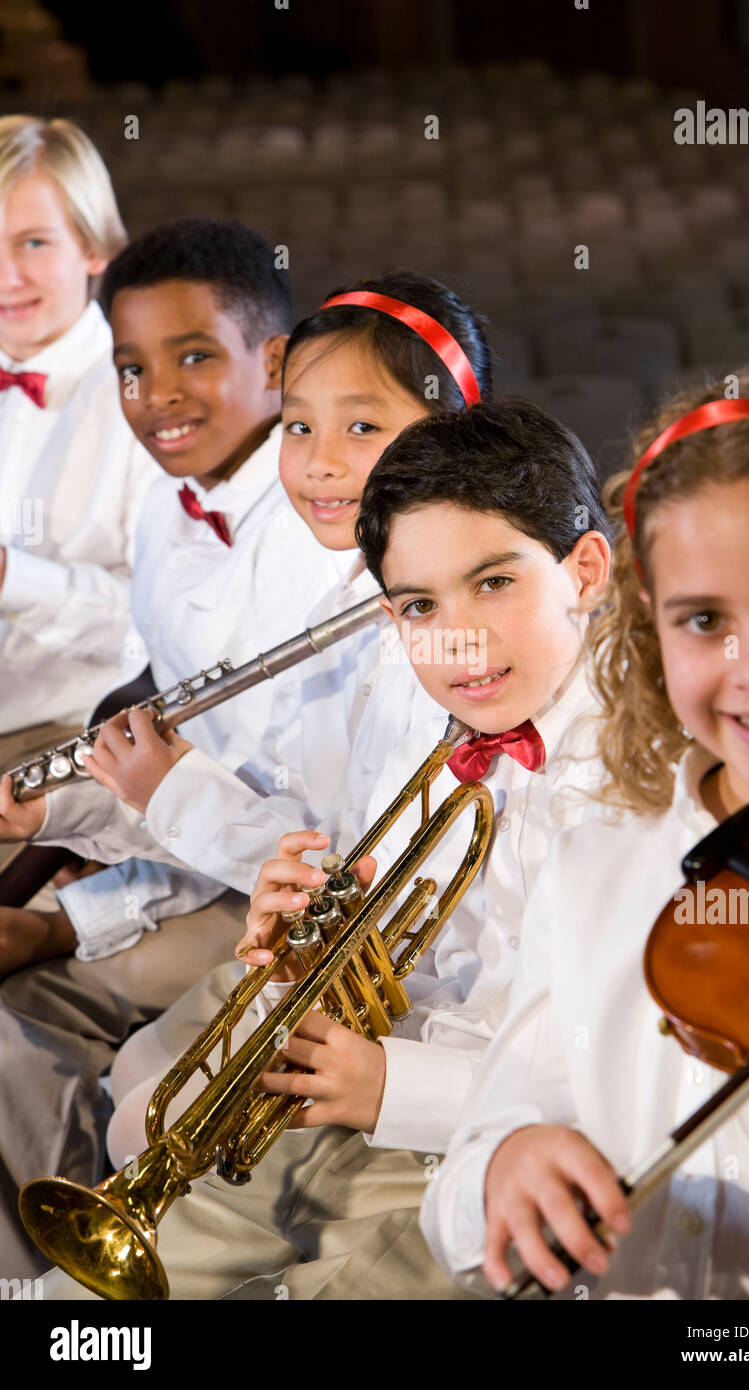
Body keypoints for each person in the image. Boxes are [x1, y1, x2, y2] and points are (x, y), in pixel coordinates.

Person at [39, 396, 611, 1300]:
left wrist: (393, 1085)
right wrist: (300, 956)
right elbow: (388, 939)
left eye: (494, 583)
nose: (458, 638)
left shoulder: (642, 781)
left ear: (584, 570)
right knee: (74, 1308)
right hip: (359, 1099)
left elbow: (614, 1070)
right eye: (420, 604)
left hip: (490, 1154)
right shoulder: (424, 715)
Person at [0, 269, 490, 1280]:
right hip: (311, 940)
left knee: (149, 1110)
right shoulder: (354, 600)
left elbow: (363, 865)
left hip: (420, 1011)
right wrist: (76, 805)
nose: (314, 465)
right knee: (142, 1109)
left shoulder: (435, 630)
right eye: (299, 429)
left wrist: (167, 805)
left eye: (361, 430)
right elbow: (288, 819)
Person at [421, 361, 749, 1300]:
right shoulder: (595, 868)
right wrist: (508, 1162)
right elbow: (475, 1158)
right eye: (705, 620)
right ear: (650, 632)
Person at [0, 217, 346, 1279]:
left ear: (275, 362)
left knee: (139, 1095)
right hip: (203, 873)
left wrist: (73, 917)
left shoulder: (329, 537)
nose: (157, 397)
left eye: (194, 356)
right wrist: (56, 812)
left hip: (296, 912)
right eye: (132, 368)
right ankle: (45, 1283)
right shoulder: (164, 519)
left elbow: (314, 846)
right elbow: (174, 785)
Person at [0, 115, 156, 767]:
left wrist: (13, 578)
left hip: (70, 744)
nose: (6, 276)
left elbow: (158, 627)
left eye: (33, 243)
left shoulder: (149, 398)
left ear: (93, 247)